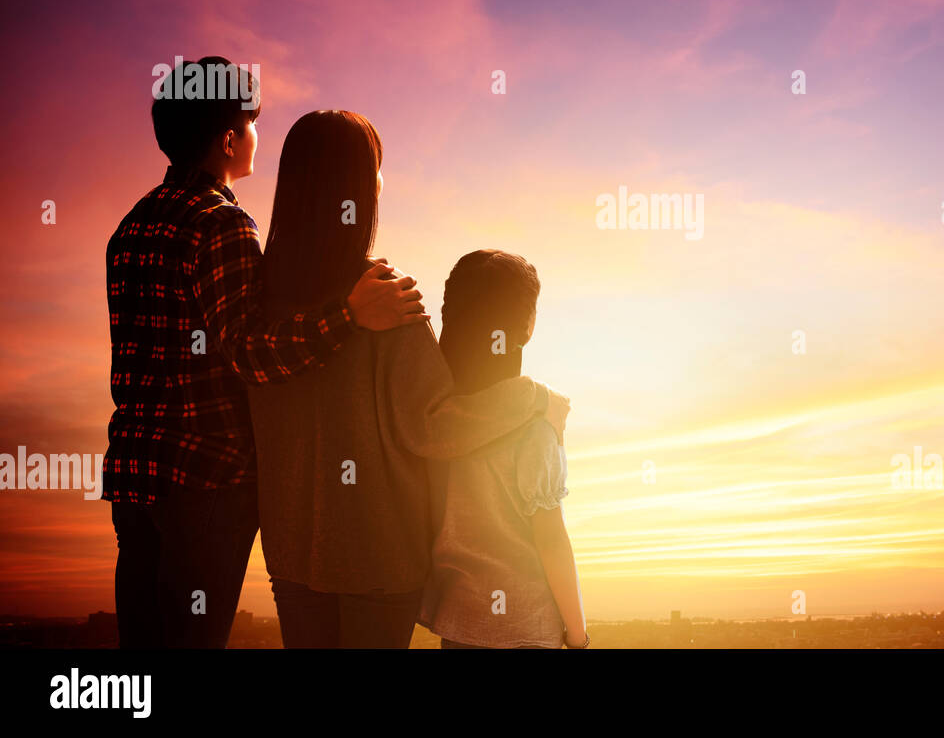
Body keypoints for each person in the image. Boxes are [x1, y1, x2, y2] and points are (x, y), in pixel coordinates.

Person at [106, 58, 424, 648]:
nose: (258, 136)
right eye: (251, 124)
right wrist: (349, 314)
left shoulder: (129, 228)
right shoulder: (222, 224)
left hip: (132, 473)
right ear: (229, 140)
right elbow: (250, 352)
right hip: (206, 477)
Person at [247, 111, 570, 648]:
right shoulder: (386, 299)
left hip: (290, 550)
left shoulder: (259, 302)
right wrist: (532, 400)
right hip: (378, 556)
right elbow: (433, 428)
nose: (380, 181)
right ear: (354, 188)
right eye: (376, 168)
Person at [421, 250, 587, 649]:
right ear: (527, 326)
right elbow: (551, 540)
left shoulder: (438, 417)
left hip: (460, 624)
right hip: (526, 628)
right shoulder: (534, 427)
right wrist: (579, 635)